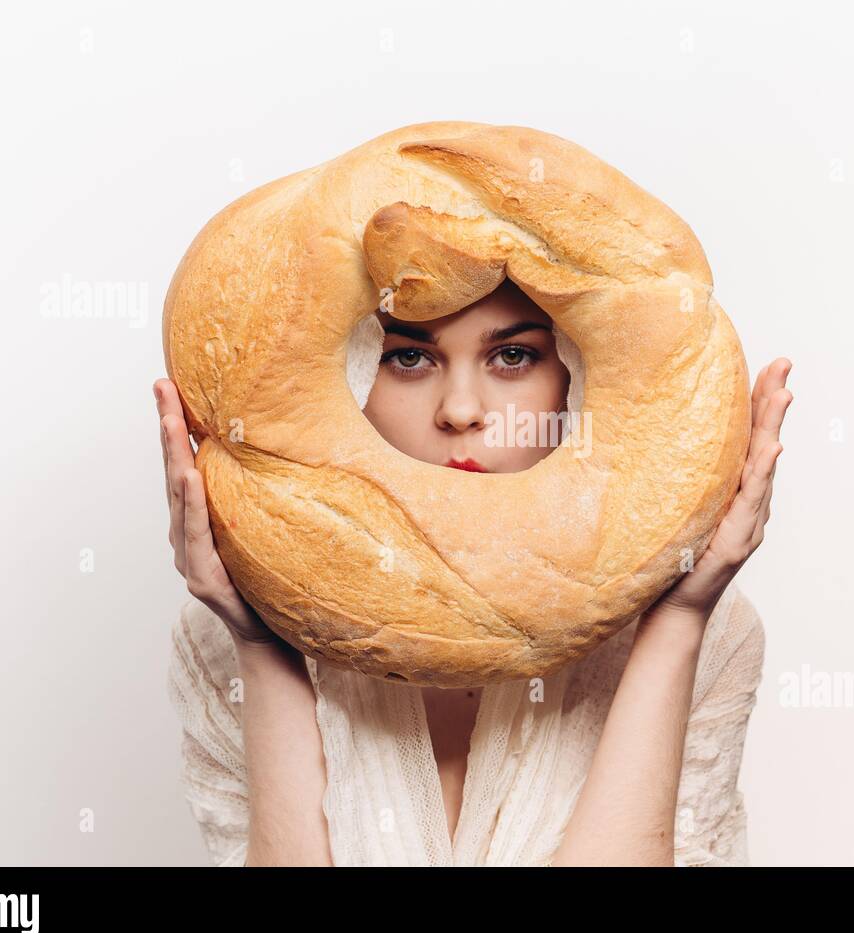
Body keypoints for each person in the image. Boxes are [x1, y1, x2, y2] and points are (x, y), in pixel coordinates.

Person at [157, 278, 793, 866]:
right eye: (408, 358)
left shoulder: (710, 634)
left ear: (576, 377)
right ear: (346, 384)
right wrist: (264, 644)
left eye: (513, 357)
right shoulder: (218, 643)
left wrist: (677, 622)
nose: (461, 410)